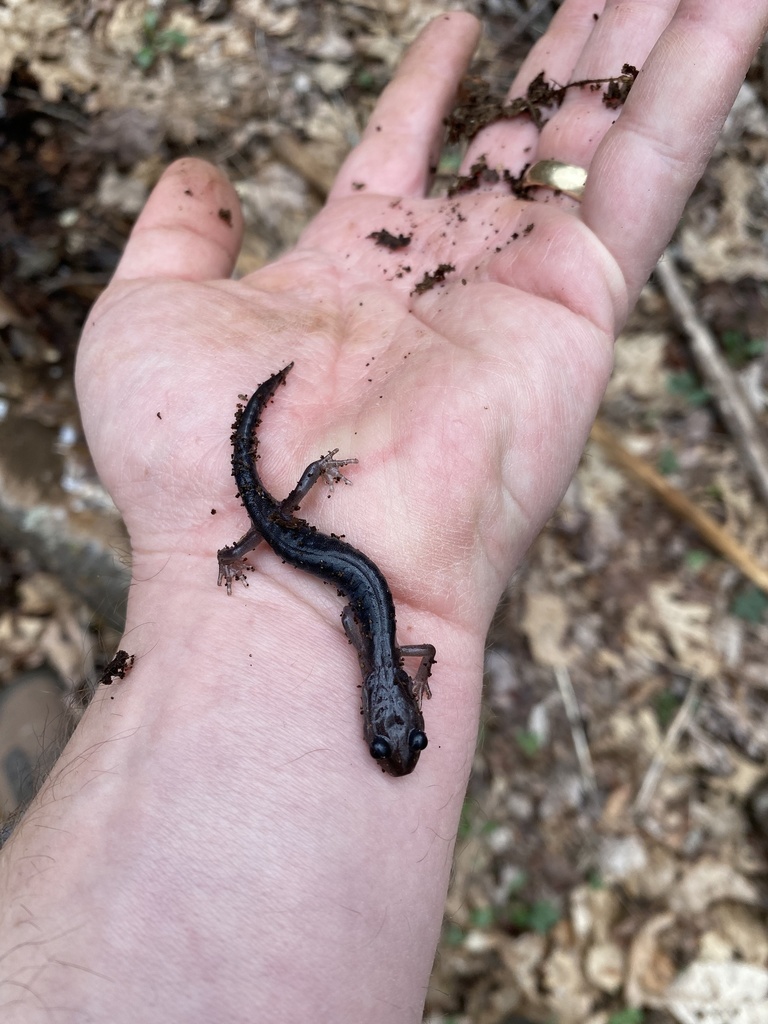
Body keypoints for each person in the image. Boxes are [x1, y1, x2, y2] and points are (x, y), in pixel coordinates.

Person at [1, 2, 766, 1020]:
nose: (390, 726)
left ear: (381, 710)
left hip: (307, 539)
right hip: (302, 538)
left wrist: (366, 632)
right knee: (278, 522)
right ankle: (253, 491)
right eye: (395, 726)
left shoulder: (385, 658)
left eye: (387, 729)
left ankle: (254, 494)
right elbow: (377, 626)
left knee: (281, 523)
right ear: (389, 707)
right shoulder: (386, 658)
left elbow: (374, 623)